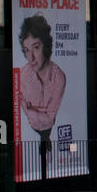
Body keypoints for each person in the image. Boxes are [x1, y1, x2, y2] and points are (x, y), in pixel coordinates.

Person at [19, 15, 66, 175]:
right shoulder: (23, 75)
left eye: (36, 47)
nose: (30, 57)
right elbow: (42, 117)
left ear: (46, 45)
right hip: (29, 130)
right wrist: (39, 113)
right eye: (26, 50)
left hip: (44, 129)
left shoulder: (58, 77)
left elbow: (50, 118)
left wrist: (30, 111)